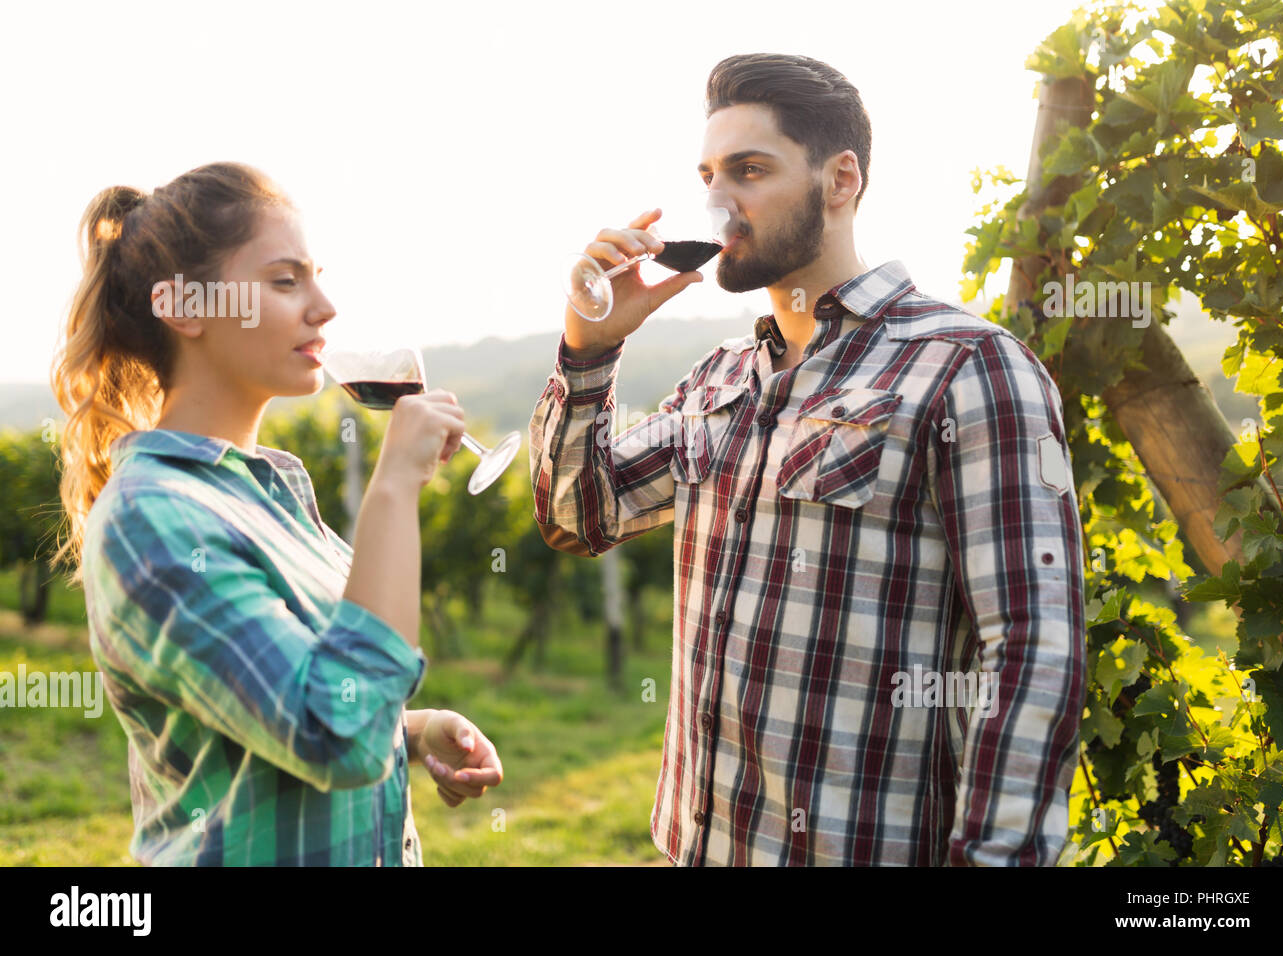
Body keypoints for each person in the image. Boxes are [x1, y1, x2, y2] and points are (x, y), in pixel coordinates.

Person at [530, 54, 1087, 865]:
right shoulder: (718, 379)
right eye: (709, 176)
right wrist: (589, 351)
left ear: (841, 179)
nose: (720, 201)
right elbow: (577, 516)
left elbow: (1036, 644)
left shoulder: (968, 365)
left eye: (750, 171)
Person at [52, 162, 502, 866]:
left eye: (316, 275)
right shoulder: (153, 519)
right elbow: (335, 735)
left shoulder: (273, 491)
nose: (323, 306)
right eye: (285, 281)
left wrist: (408, 731)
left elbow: (293, 697)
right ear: (186, 307)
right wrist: (393, 491)